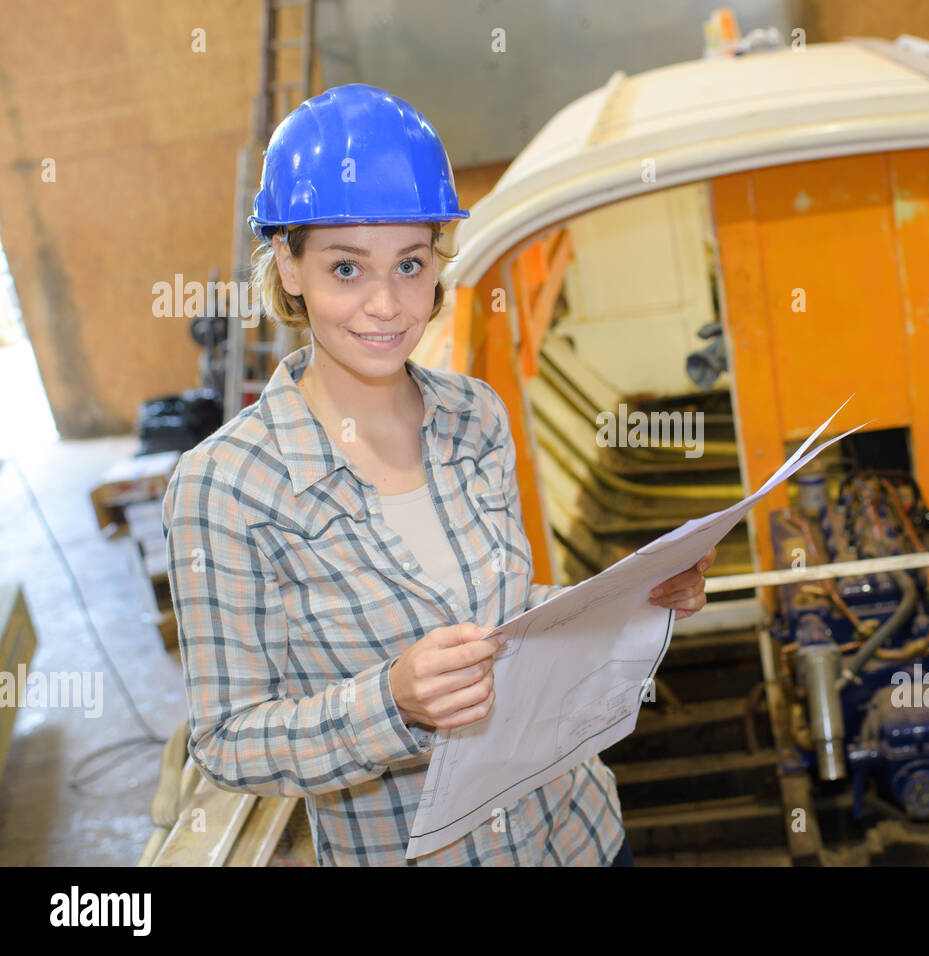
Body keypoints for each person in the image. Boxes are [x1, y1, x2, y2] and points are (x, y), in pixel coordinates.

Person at [162, 84, 715, 866]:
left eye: (410, 264)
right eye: (346, 268)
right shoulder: (225, 487)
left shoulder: (474, 416)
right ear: (287, 264)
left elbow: (500, 623)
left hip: (577, 836)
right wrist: (391, 703)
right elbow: (227, 740)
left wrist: (630, 597)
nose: (386, 305)